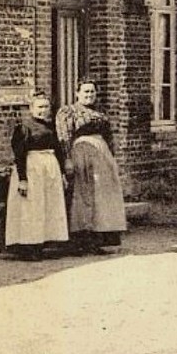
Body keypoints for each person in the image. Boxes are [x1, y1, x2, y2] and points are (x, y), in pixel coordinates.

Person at [55, 79, 127, 254]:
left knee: (100, 197)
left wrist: (111, 160)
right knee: (81, 196)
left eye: (92, 92)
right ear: (77, 93)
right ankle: (78, 239)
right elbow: (64, 138)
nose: (89, 95)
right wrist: (67, 160)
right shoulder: (68, 113)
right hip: (80, 156)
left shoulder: (100, 115)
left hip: (101, 158)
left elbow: (109, 139)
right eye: (85, 92)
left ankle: (97, 238)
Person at [4, 94, 69, 260]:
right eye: (39, 107)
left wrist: (62, 173)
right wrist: (23, 179)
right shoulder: (24, 128)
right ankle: (28, 246)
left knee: (47, 206)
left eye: (46, 107)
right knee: (31, 208)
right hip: (32, 168)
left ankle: (43, 243)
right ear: (31, 109)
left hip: (50, 169)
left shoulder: (51, 126)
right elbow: (19, 154)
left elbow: (59, 151)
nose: (43, 110)